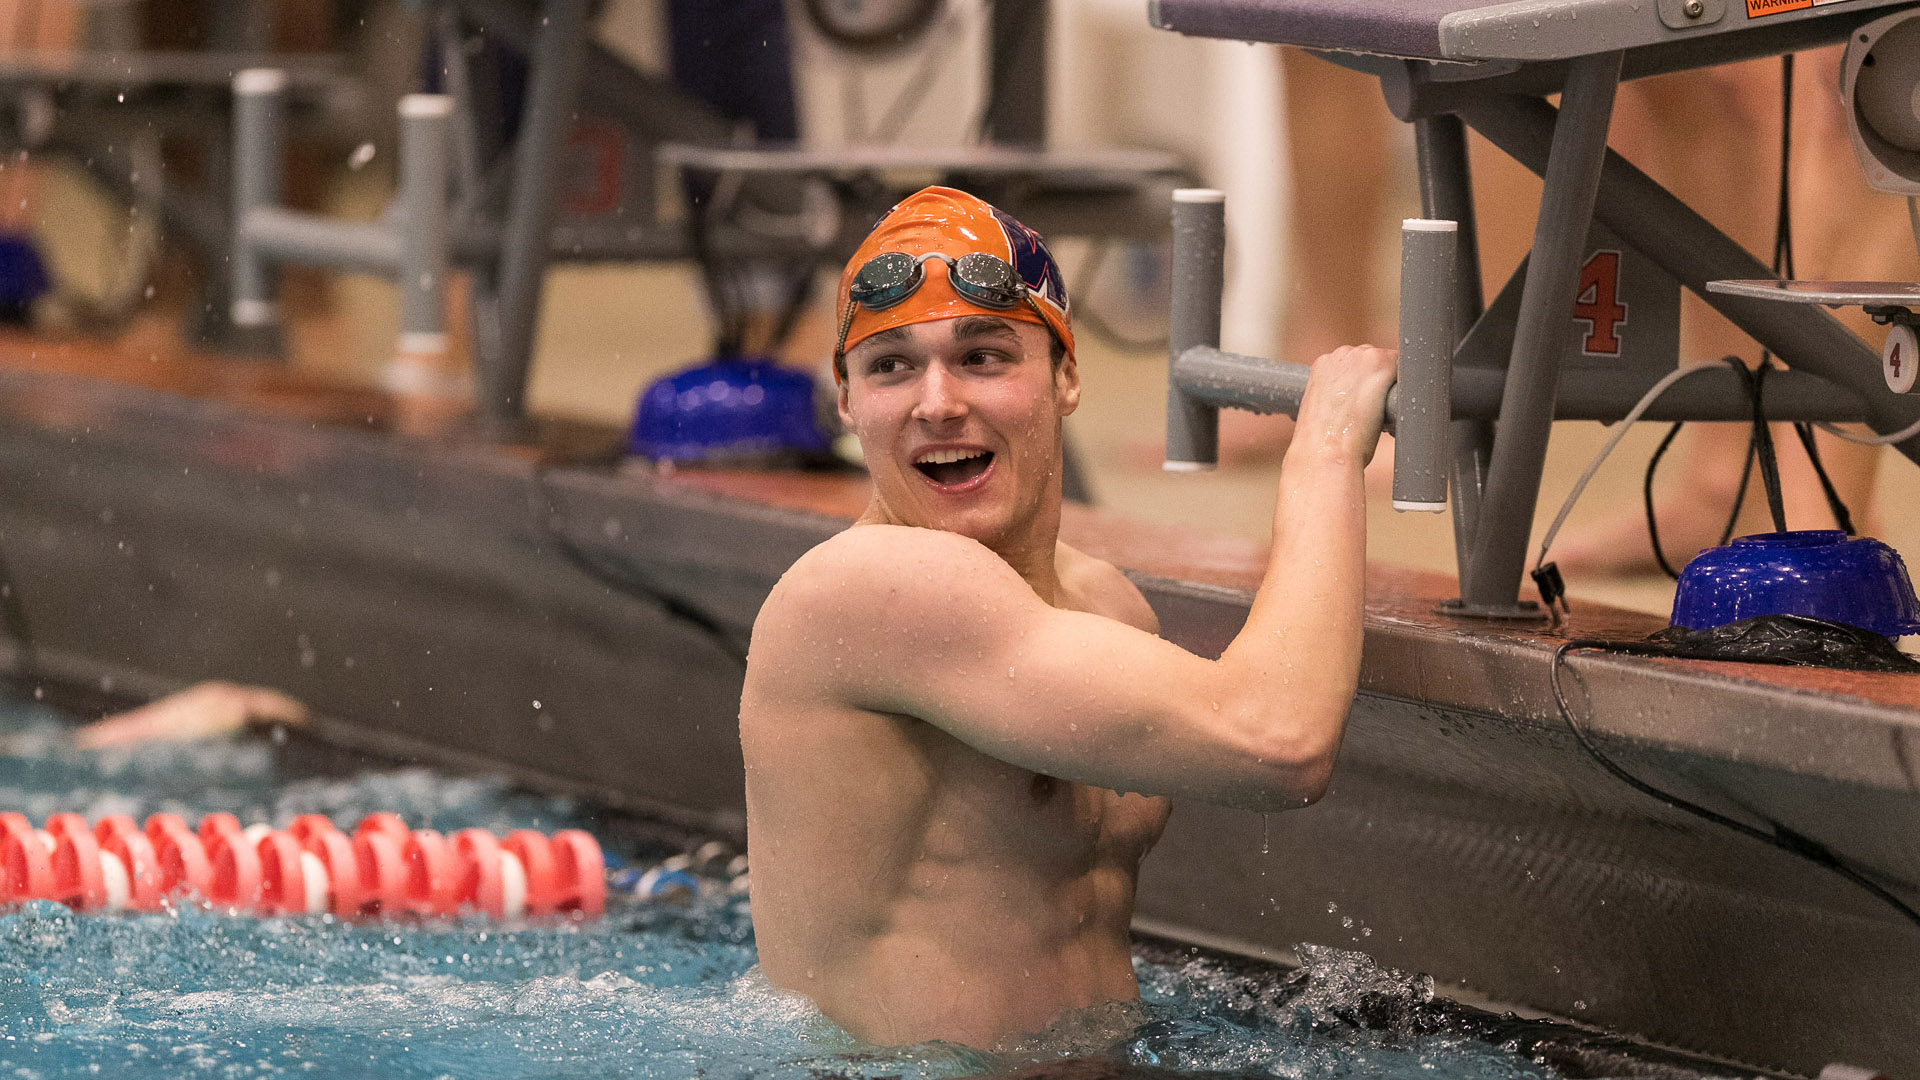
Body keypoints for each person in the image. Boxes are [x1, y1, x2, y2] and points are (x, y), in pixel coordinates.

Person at [739, 187, 1396, 1049]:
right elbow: (1279, 741)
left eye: (982, 356)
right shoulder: (867, 591)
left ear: (1068, 375)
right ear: (848, 401)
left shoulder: (1107, 607)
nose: (936, 401)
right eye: (891, 366)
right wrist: (1326, 447)